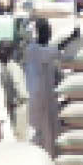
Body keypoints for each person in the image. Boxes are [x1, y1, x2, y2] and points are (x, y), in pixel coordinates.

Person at [23, 18, 63, 155]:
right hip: (38, 94)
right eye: (45, 31)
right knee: (39, 127)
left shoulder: (33, 48)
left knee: (49, 127)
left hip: (46, 93)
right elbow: (53, 55)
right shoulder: (36, 50)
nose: (48, 34)